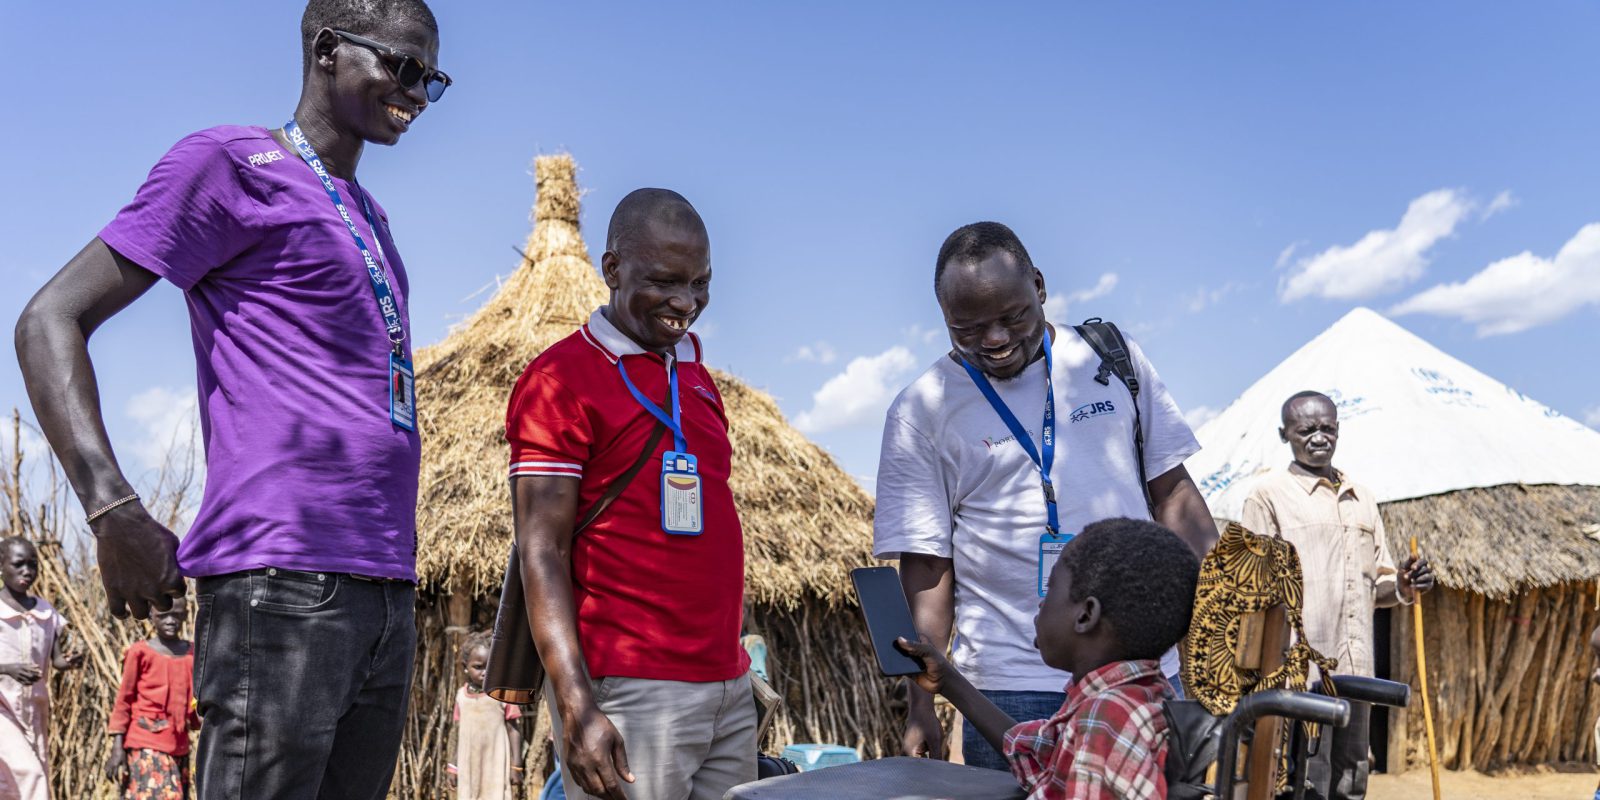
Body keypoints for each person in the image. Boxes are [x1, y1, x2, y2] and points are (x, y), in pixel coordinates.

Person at [13, 2, 449, 795]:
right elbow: (50, 317)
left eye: (433, 79)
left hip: (384, 585)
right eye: (403, 66)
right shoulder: (230, 164)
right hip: (281, 583)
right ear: (326, 49)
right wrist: (111, 509)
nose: (417, 93)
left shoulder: (371, 217)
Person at [874, 221, 1217, 769]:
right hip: (1008, 685)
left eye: (1013, 316)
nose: (995, 339)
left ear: (1038, 285)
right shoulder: (922, 410)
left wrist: (1221, 616)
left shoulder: (1110, 358)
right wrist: (922, 704)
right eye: (968, 328)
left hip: (1142, 671)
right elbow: (926, 564)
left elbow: (1173, 493)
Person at [507, 189, 755, 800]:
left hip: (728, 687)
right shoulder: (559, 380)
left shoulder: (696, 379)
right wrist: (577, 705)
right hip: (633, 692)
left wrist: (740, 674)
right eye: (666, 281)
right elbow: (541, 552)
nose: (686, 302)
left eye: (700, 283)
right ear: (612, 270)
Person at [897, 518, 1200, 799]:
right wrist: (948, 681)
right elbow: (1039, 753)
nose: (1042, 602)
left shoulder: (1104, 718)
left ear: (1085, 615)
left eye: (1052, 588)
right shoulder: (1138, 694)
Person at [1240, 390, 1435, 800]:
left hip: (1356, 669)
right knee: (1306, 780)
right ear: (1284, 434)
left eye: (1327, 428)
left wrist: (1402, 585)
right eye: (1305, 429)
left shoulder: (1362, 498)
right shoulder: (1267, 496)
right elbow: (1252, 588)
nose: (1318, 437)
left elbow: (1374, 585)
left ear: (1338, 430)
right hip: (1301, 674)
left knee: (1351, 780)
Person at [0, 536, 86, 800]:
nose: (27, 571)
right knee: (31, 774)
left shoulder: (46, 613)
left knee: (17, 781)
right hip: (2, 708)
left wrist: (69, 662)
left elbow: (56, 659)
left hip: (34, 709)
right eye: (18, 564)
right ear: (1, 566)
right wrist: (7, 668)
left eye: (32, 565)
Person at [106, 597, 200, 800]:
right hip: (146, 743)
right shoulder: (140, 652)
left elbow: (194, 706)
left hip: (179, 748)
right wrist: (117, 748)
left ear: (185, 615)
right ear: (152, 616)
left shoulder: (193, 654)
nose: (170, 620)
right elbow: (124, 700)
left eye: (176, 614)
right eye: (164, 614)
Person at [453, 631, 524, 799]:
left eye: (490, 666)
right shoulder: (461, 697)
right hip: (469, 764)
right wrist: (452, 766)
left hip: (496, 762)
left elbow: (513, 730)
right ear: (465, 667)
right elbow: (458, 735)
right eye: (478, 667)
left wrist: (516, 765)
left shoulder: (503, 694)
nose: (485, 672)